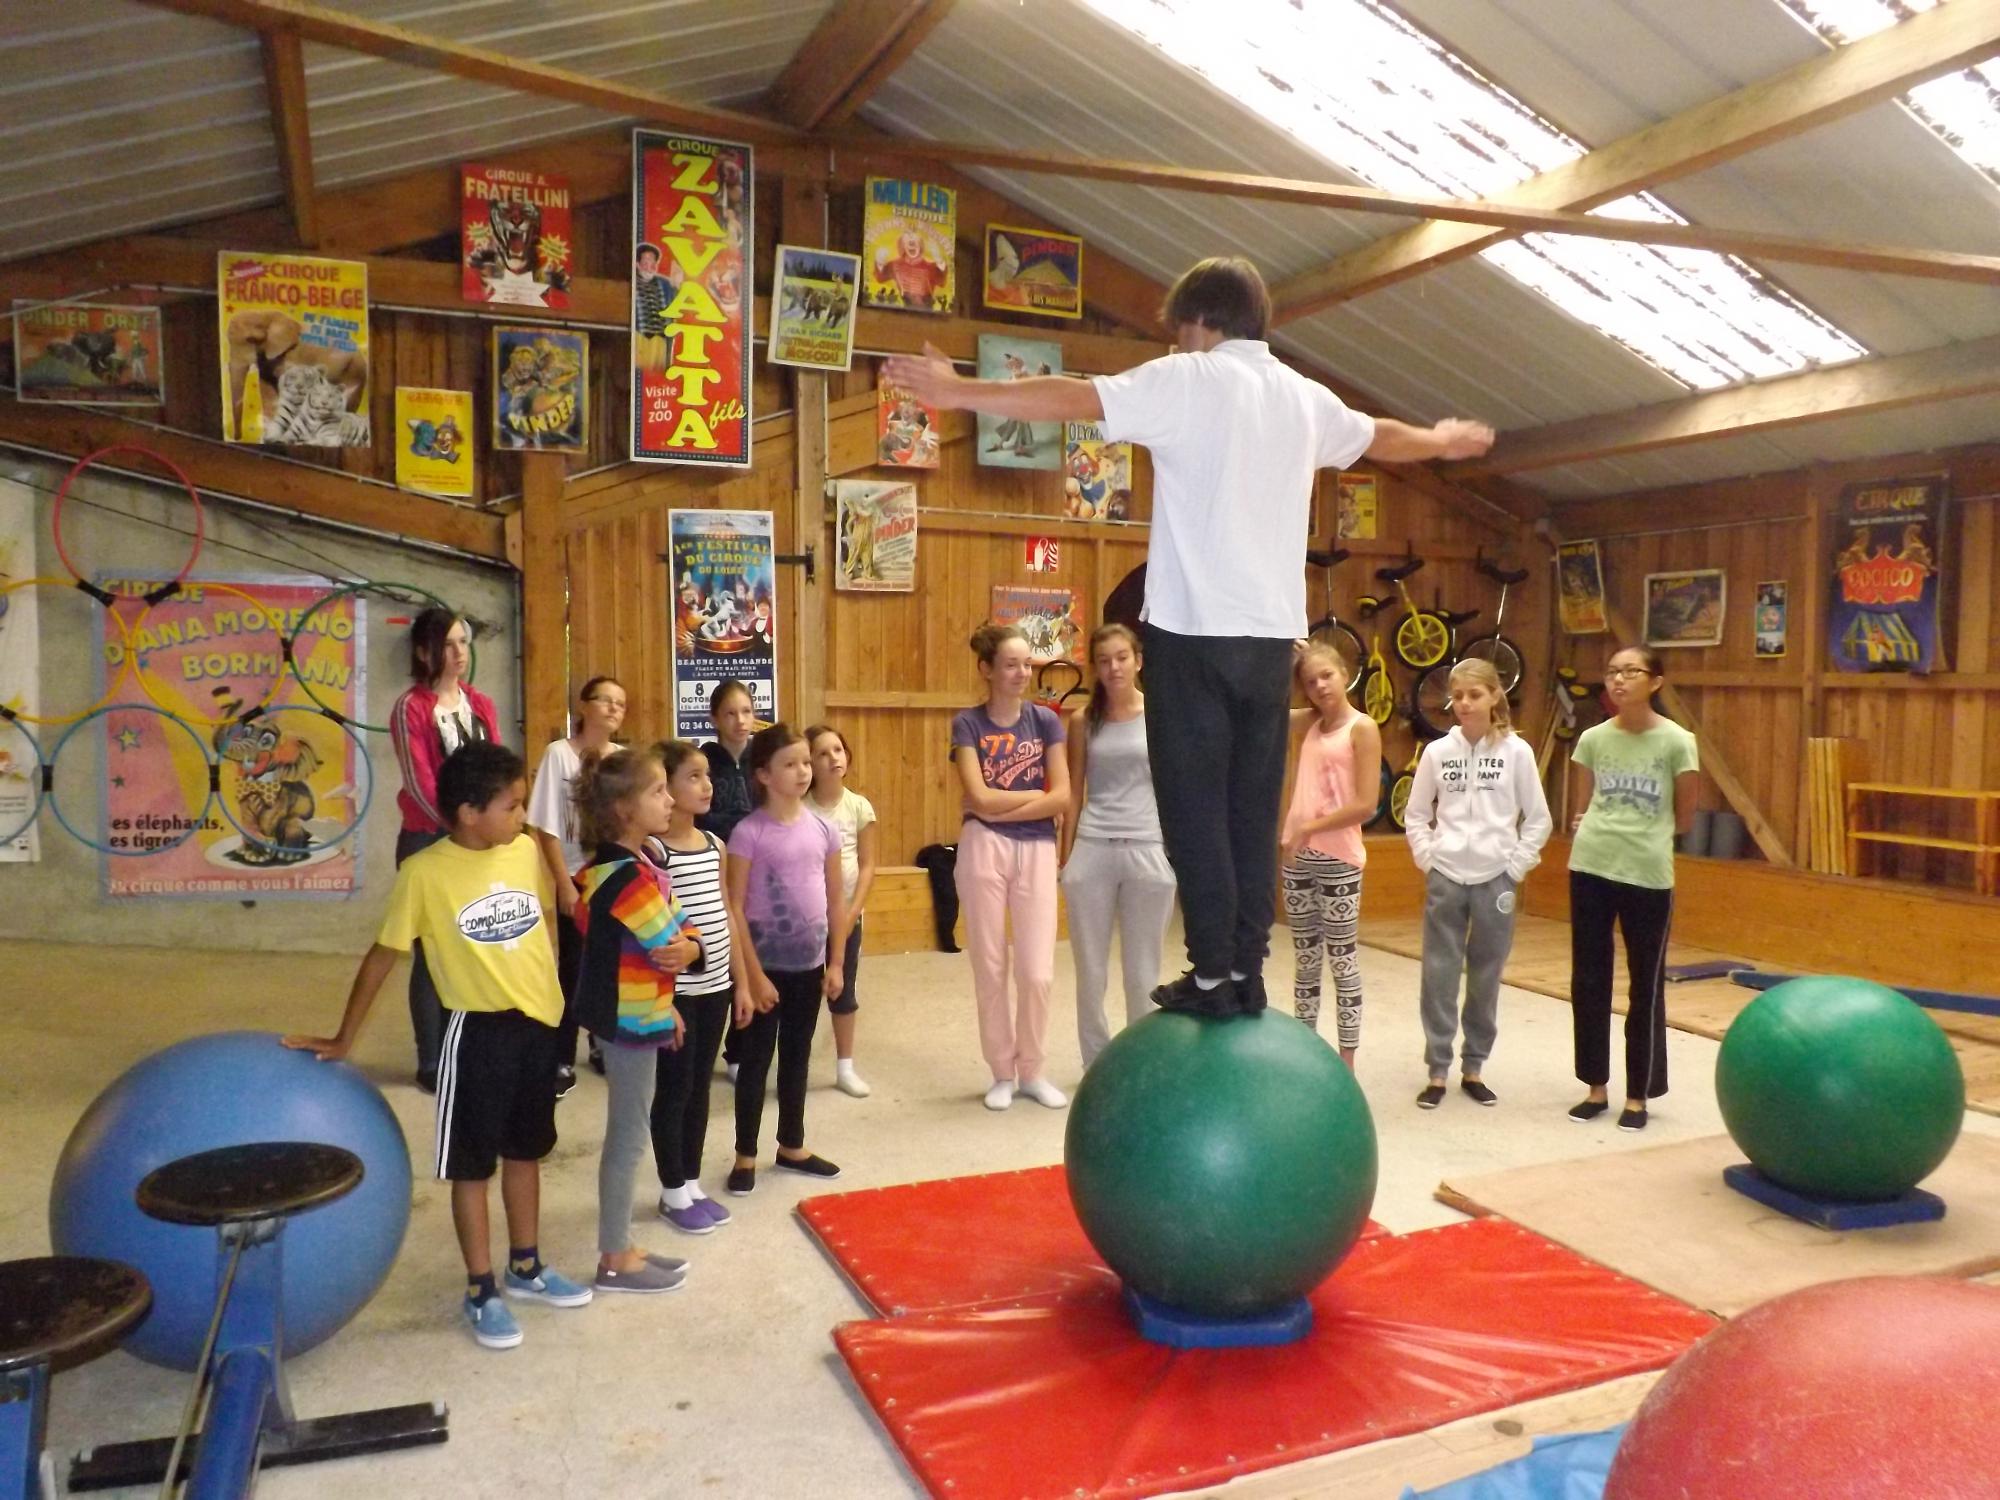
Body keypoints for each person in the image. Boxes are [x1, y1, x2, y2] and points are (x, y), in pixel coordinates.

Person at [885, 256, 1494, 1018]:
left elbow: (1073, 396)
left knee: (1193, 810)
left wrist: (959, 392)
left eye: (1179, 331)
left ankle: (1212, 974)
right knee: (1248, 811)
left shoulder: (1188, 378)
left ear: (1201, 323)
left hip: (1192, 635)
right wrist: (1437, 440)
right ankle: (1245, 970)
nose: (1176, 343)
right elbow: (1382, 436)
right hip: (1271, 642)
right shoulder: (1304, 396)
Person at [285, 742, 591, 1350]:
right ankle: (480, 1288)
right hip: (476, 1035)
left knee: (526, 1151)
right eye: (512, 805)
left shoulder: (525, 850)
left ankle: (525, 1266)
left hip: (538, 1027)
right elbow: (384, 956)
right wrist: (345, 1037)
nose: (522, 815)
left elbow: (538, 928)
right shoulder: (423, 873)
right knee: (471, 1167)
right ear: (469, 813)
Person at [571, 747, 698, 1294]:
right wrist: (690, 949)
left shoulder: (633, 866)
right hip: (628, 1024)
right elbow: (672, 941)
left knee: (630, 1131)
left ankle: (620, 1242)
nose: (670, 800)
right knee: (628, 1137)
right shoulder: (626, 879)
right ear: (625, 809)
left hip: (639, 1012)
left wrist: (685, 955)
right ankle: (614, 1258)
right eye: (657, 791)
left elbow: (681, 933)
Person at [1403, 658, 1552, 1109]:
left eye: (1474, 695)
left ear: (1494, 696)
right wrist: (1429, 858)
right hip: (1447, 876)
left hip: (1496, 879)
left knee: (1486, 974)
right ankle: (1437, 1069)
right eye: (1458, 696)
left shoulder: (1517, 753)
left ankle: (1474, 1067)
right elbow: (1416, 814)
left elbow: (1538, 819)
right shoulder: (1437, 752)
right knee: (1439, 973)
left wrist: (1515, 868)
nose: (1465, 704)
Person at [1567, 646, 1700, 1132]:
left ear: (1655, 681)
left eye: (1631, 672)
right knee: (1589, 979)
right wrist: (1593, 827)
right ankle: (1595, 1086)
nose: (1619, 680)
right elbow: (1582, 804)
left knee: (1645, 985)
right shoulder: (1593, 739)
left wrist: (1646, 832)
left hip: (1646, 873)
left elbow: (1684, 815)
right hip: (1591, 866)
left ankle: (1638, 1094)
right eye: (1612, 672)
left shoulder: (1677, 741)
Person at [951, 624, 1071, 1110]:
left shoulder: (1046, 722)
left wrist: (1007, 806)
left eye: (1026, 664)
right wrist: (1034, 796)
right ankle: (1002, 1071)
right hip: (982, 847)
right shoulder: (968, 723)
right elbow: (976, 796)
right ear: (987, 669)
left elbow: (1062, 796)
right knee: (990, 963)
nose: (1022, 673)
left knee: (1037, 971)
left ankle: (1032, 1070)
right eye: (1011, 665)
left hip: (1036, 848)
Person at [726, 723, 847, 1193]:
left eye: (805, 762)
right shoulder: (748, 834)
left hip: (808, 965)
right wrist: (752, 977)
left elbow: (836, 900)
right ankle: (745, 1154)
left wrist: (836, 962)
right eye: (790, 764)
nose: (803, 771)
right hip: (765, 968)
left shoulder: (824, 829)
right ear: (763, 774)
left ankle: (791, 1144)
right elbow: (735, 907)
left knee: (797, 1056)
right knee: (756, 1062)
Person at [389, 606, 501, 1092]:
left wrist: (493, 826)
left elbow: (496, 769)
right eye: (447, 644)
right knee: (431, 952)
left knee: (476, 945)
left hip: (477, 839)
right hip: (429, 838)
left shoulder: (481, 704)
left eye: (463, 642)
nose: (459, 653)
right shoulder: (411, 707)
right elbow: (420, 784)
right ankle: (431, 1059)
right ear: (423, 651)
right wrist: (462, 828)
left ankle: (469, 1048)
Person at [1060, 624, 1175, 1068]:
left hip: (1146, 847)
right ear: (1095, 667)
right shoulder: (1082, 721)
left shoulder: (1161, 715)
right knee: (1090, 972)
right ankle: (1095, 1064)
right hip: (1093, 847)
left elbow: (1175, 788)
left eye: (1122, 657)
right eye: (1104, 660)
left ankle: (1138, 1063)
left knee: (1142, 972)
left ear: (1138, 661)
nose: (1114, 668)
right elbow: (1073, 790)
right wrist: (1066, 858)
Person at [644, 741, 745, 1235]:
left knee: (701, 1086)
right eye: (694, 777)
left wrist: (740, 982)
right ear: (665, 787)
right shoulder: (654, 851)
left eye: (708, 776)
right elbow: (650, 930)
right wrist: (662, 997)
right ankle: (670, 1191)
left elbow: (727, 913)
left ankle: (690, 1180)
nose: (707, 785)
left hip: (716, 984)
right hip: (678, 992)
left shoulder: (714, 845)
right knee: (675, 1088)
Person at [1280, 642, 1382, 1066]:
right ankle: (1305, 1052)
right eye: (1310, 681)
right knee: (1305, 960)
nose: (1320, 685)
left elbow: (1366, 804)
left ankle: (1346, 1062)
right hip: (1298, 857)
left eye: (1327, 675)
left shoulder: (1362, 728)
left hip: (1338, 858)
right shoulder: (1309, 723)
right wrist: (1284, 657)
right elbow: (1268, 709)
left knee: (1342, 960)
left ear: (1345, 674)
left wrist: (1310, 827)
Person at [526, 675, 627, 1094]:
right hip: (575, 875)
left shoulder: (623, 760)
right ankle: (562, 1057)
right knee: (574, 968)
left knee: (612, 966)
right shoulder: (559, 755)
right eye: (605, 700)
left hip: (614, 875)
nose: (613, 708)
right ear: (583, 706)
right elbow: (546, 827)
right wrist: (564, 885)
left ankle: (602, 1043)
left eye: (621, 703)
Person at [805, 723, 878, 1099]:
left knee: (843, 990)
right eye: (822, 753)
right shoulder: (800, 809)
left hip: (847, 916)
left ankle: (845, 1066)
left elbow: (867, 865)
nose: (832, 758)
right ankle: (795, 1063)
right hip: (804, 921)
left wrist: (851, 914)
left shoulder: (859, 807)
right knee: (803, 992)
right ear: (809, 763)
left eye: (837, 750)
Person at [700, 678, 759, 1082]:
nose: (740, 721)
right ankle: (705, 1043)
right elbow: (700, 816)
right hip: (715, 869)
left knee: (752, 958)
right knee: (719, 955)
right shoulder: (704, 761)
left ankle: (740, 1049)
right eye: (730, 713)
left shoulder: (763, 759)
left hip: (755, 870)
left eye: (747, 712)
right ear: (715, 719)